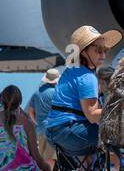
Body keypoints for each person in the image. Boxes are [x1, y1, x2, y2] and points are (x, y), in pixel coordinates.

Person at [45, 25, 121, 159]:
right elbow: (92, 115)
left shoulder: (71, 70)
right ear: (83, 52)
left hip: (55, 133)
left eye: (105, 49)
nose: (103, 54)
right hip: (68, 133)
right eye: (98, 49)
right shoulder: (87, 77)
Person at [0, 84, 49, 171]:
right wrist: (47, 167)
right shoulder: (26, 123)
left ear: (1, 99)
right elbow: (36, 157)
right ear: (20, 102)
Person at [24, 65, 61, 167]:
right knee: (50, 160)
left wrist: (37, 123)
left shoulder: (36, 93)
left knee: (41, 158)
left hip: (40, 130)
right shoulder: (57, 93)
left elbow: (31, 112)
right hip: (53, 130)